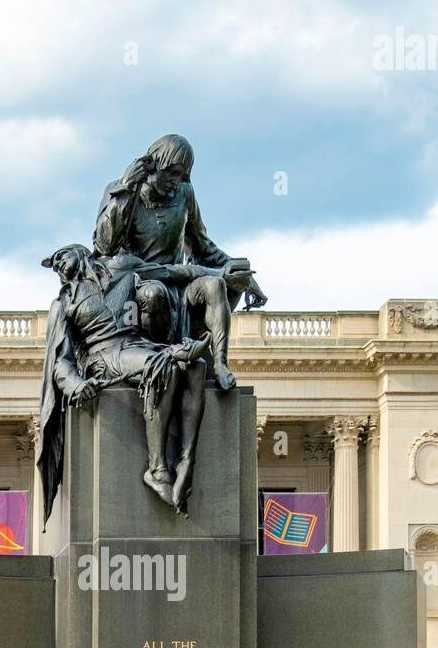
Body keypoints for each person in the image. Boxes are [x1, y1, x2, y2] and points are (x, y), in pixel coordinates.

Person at [37, 244, 210, 523]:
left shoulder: (124, 272)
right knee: (164, 366)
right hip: (104, 356)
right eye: (54, 264)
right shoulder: (64, 302)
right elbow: (60, 359)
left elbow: (173, 271)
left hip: (138, 345)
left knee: (195, 366)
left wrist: (217, 273)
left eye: (60, 257)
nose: (57, 265)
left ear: (81, 254)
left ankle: (186, 459)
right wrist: (76, 385)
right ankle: (157, 469)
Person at [93, 134, 267, 390]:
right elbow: (105, 246)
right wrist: (126, 188)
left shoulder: (184, 194)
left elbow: (202, 246)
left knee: (213, 286)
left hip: (179, 283)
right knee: (154, 294)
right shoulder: (119, 190)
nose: (176, 182)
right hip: (139, 288)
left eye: (182, 176)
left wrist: (242, 273)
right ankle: (161, 360)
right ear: (154, 165)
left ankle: (219, 364)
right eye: (172, 173)